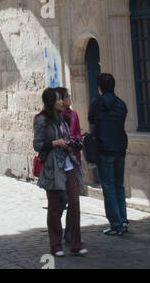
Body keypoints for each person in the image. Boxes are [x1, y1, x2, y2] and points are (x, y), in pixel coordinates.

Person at [33, 87, 87, 257]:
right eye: (58, 99)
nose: (62, 102)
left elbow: (68, 136)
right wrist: (56, 143)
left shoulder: (63, 118)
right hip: (53, 166)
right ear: (51, 102)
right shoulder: (42, 120)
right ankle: (55, 245)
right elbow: (38, 144)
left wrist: (72, 143)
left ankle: (76, 243)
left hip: (69, 164)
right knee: (55, 207)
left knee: (75, 203)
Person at [87, 71, 129, 236]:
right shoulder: (121, 104)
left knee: (109, 187)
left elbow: (92, 122)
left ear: (99, 88)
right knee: (119, 185)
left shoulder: (97, 103)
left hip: (105, 149)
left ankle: (116, 224)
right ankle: (123, 220)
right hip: (120, 147)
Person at [55, 86, 82, 245]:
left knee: (73, 199)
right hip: (60, 162)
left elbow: (76, 134)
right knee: (61, 200)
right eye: (66, 97)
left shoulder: (73, 115)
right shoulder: (56, 118)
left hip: (73, 161)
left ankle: (70, 233)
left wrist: (76, 143)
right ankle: (57, 231)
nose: (69, 99)